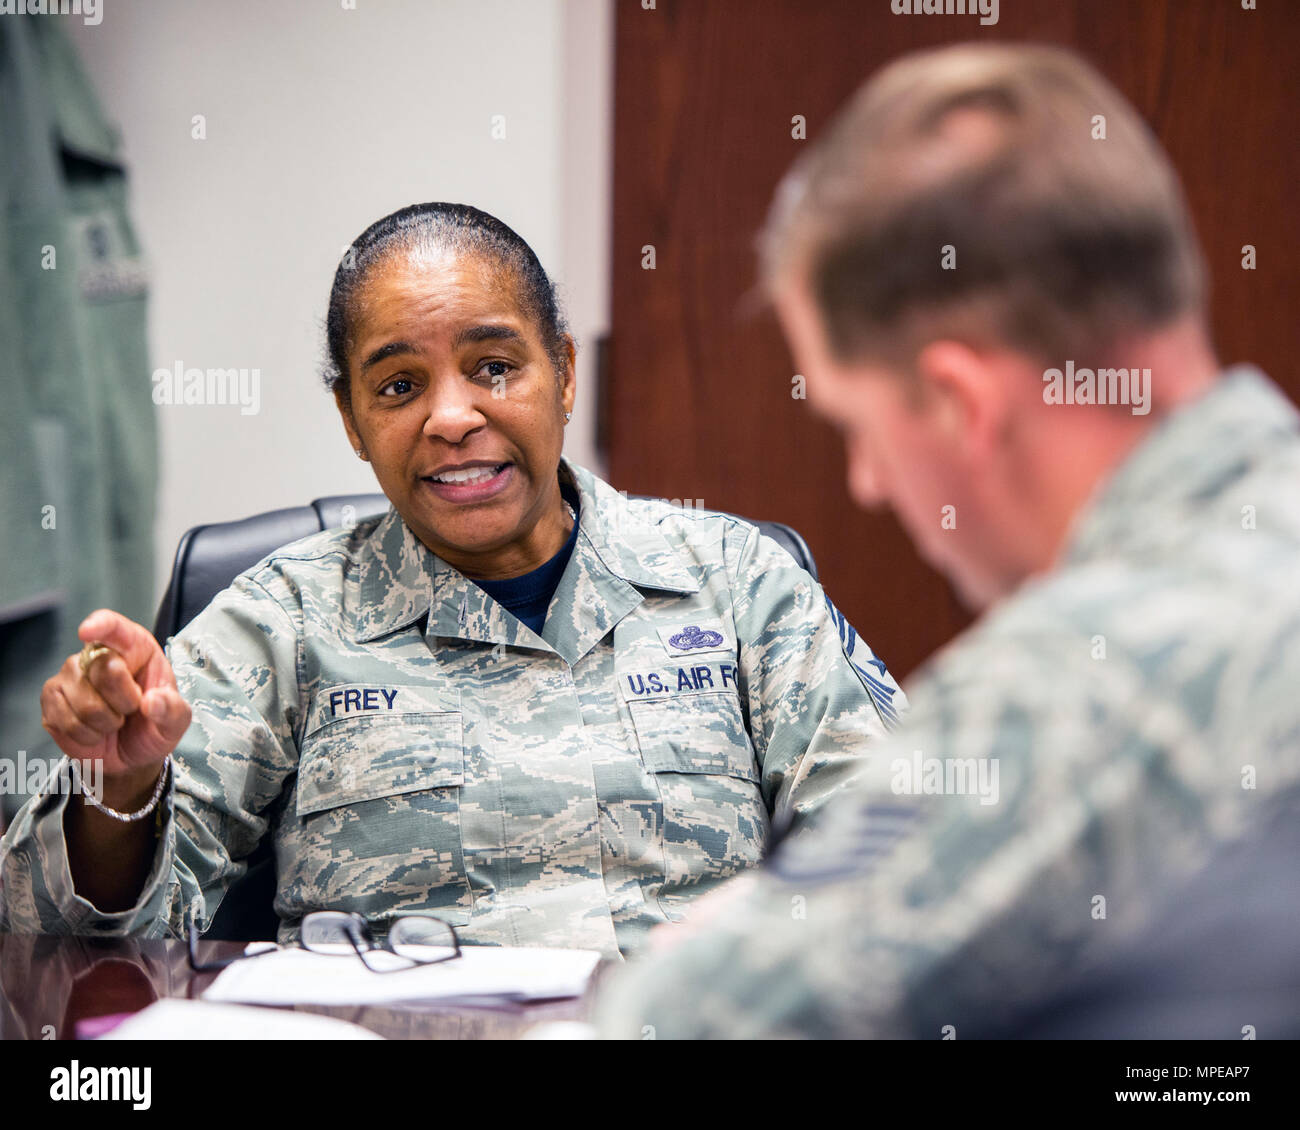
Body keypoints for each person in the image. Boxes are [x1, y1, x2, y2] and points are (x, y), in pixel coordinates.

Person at [594, 43, 1300, 1036]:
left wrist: (741, 933)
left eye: (857, 425)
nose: (867, 481)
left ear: (962, 403)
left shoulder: (1071, 683)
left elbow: (686, 1023)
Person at [0, 203, 903, 960]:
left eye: (494, 368)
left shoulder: (739, 583)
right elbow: (63, 943)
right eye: (398, 387)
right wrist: (117, 796)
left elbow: (901, 850)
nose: (451, 417)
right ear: (353, 421)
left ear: (564, 374)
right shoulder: (282, 621)